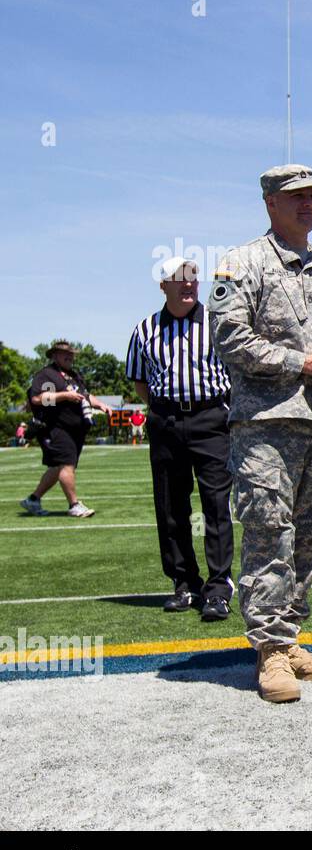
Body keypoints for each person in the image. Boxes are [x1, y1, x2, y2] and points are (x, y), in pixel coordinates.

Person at [209, 164, 312, 703]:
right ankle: (270, 651)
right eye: (297, 197)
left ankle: (291, 636)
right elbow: (230, 339)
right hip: (267, 423)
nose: (308, 205)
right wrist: (303, 363)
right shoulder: (242, 263)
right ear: (271, 202)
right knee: (269, 530)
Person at [126, 256, 235, 620]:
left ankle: (219, 587)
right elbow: (141, 382)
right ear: (163, 285)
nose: (188, 285)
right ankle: (184, 582)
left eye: (193, 279)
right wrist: (169, 409)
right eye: (179, 279)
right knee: (171, 506)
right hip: (166, 421)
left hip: (212, 419)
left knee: (216, 505)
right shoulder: (145, 329)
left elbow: (237, 374)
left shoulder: (219, 323)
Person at [20, 341, 111, 518]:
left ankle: (33, 499)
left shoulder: (73, 375)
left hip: (74, 429)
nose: (70, 356)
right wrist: (64, 396)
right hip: (55, 428)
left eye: (71, 354)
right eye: (64, 354)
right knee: (66, 464)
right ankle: (74, 505)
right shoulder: (47, 375)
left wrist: (101, 405)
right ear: (54, 355)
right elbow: (38, 399)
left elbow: (85, 395)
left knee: (57, 467)